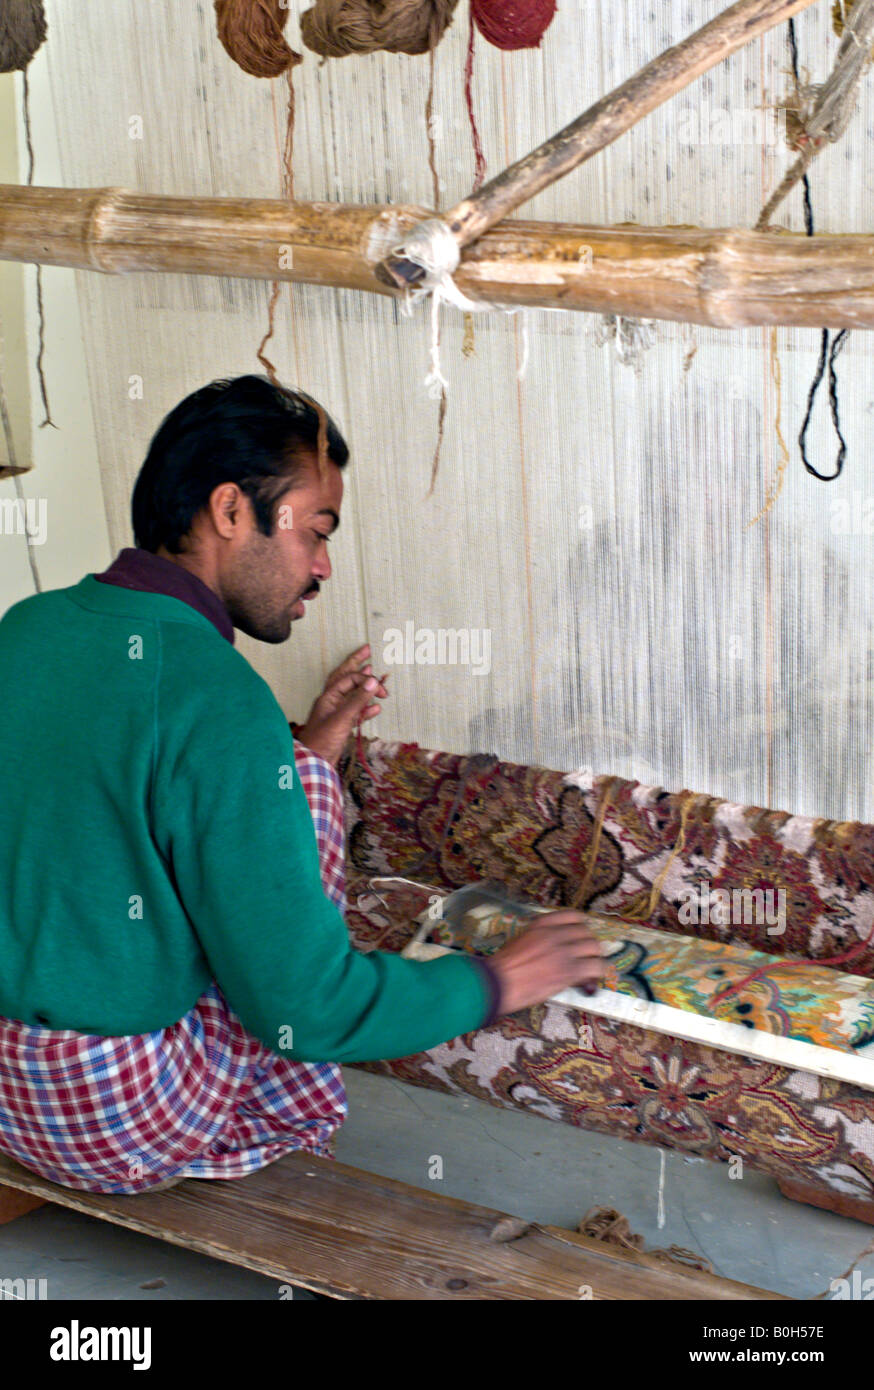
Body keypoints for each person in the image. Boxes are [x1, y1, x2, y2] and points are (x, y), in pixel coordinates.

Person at [0, 374, 604, 1194]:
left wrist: (302, 751)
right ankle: (263, 1125)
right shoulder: (217, 697)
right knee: (303, 833)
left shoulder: (29, 625)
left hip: (9, 1085)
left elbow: (96, 810)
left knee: (295, 787)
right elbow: (306, 1009)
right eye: (315, 532)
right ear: (228, 511)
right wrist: (502, 979)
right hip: (110, 1123)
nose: (321, 568)